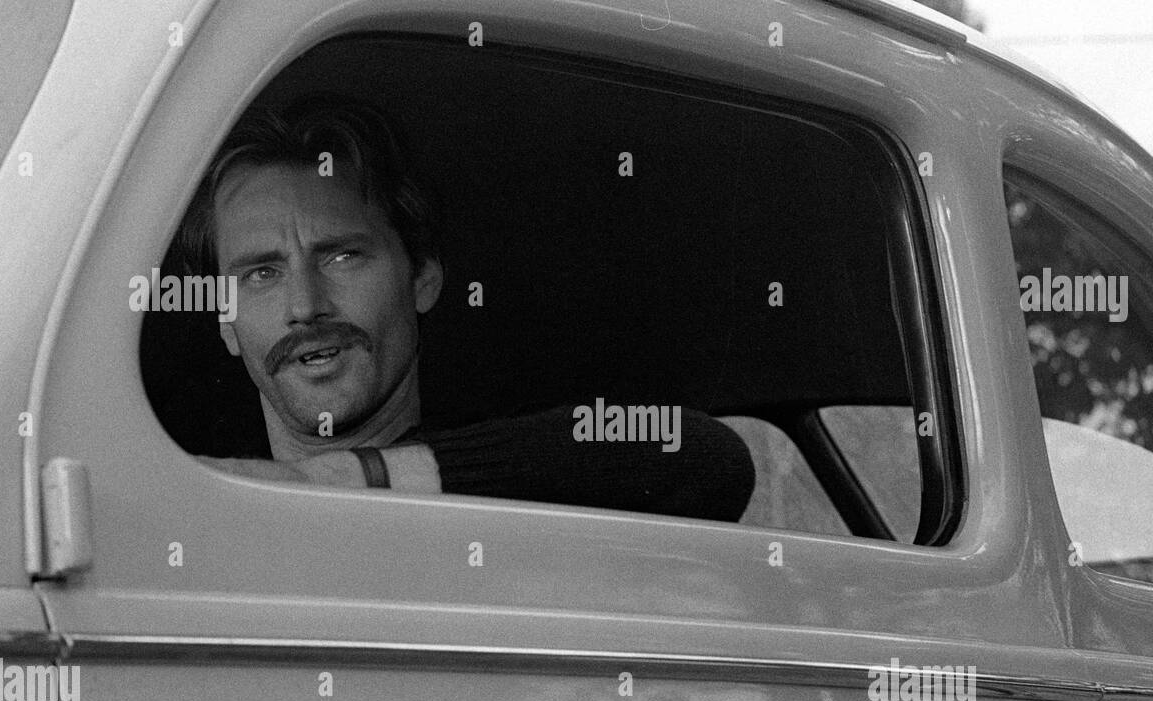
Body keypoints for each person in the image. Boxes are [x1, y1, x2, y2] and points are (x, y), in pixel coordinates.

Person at [174, 98, 754, 522]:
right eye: (261, 274)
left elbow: (700, 453)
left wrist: (341, 478)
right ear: (224, 320)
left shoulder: (515, 499)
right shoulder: (192, 510)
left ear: (423, 278)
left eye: (344, 255)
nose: (304, 306)